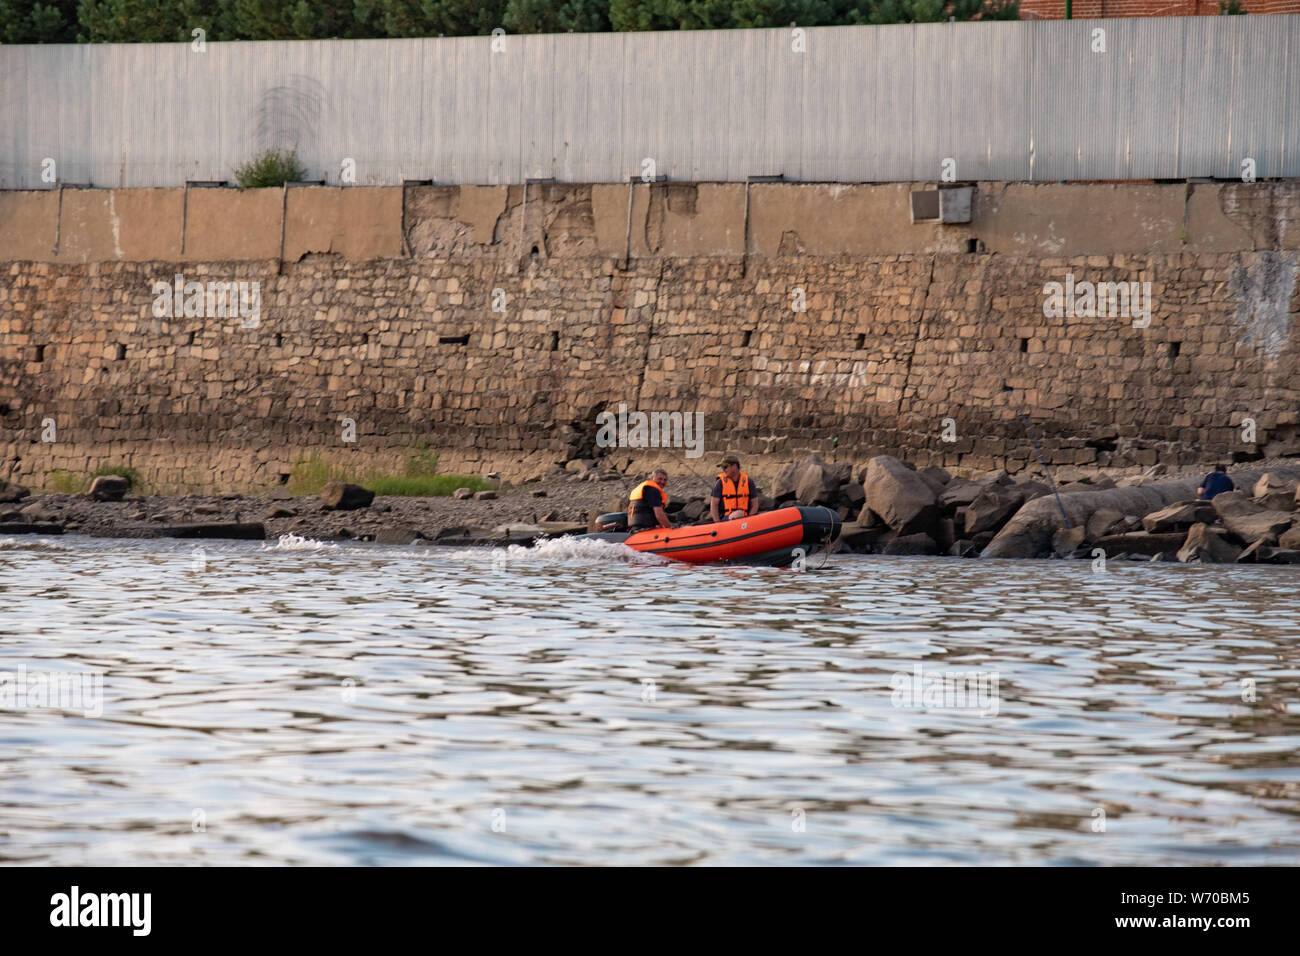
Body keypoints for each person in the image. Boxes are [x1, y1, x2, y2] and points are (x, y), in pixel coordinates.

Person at [710, 455, 761, 522]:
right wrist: (717, 523)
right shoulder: (720, 483)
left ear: (734, 466)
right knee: (738, 514)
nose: (723, 470)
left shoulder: (748, 481)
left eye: (725, 467)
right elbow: (714, 505)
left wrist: (750, 519)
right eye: (722, 468)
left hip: (746, 518)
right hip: (726, 519)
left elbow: (755, 504)